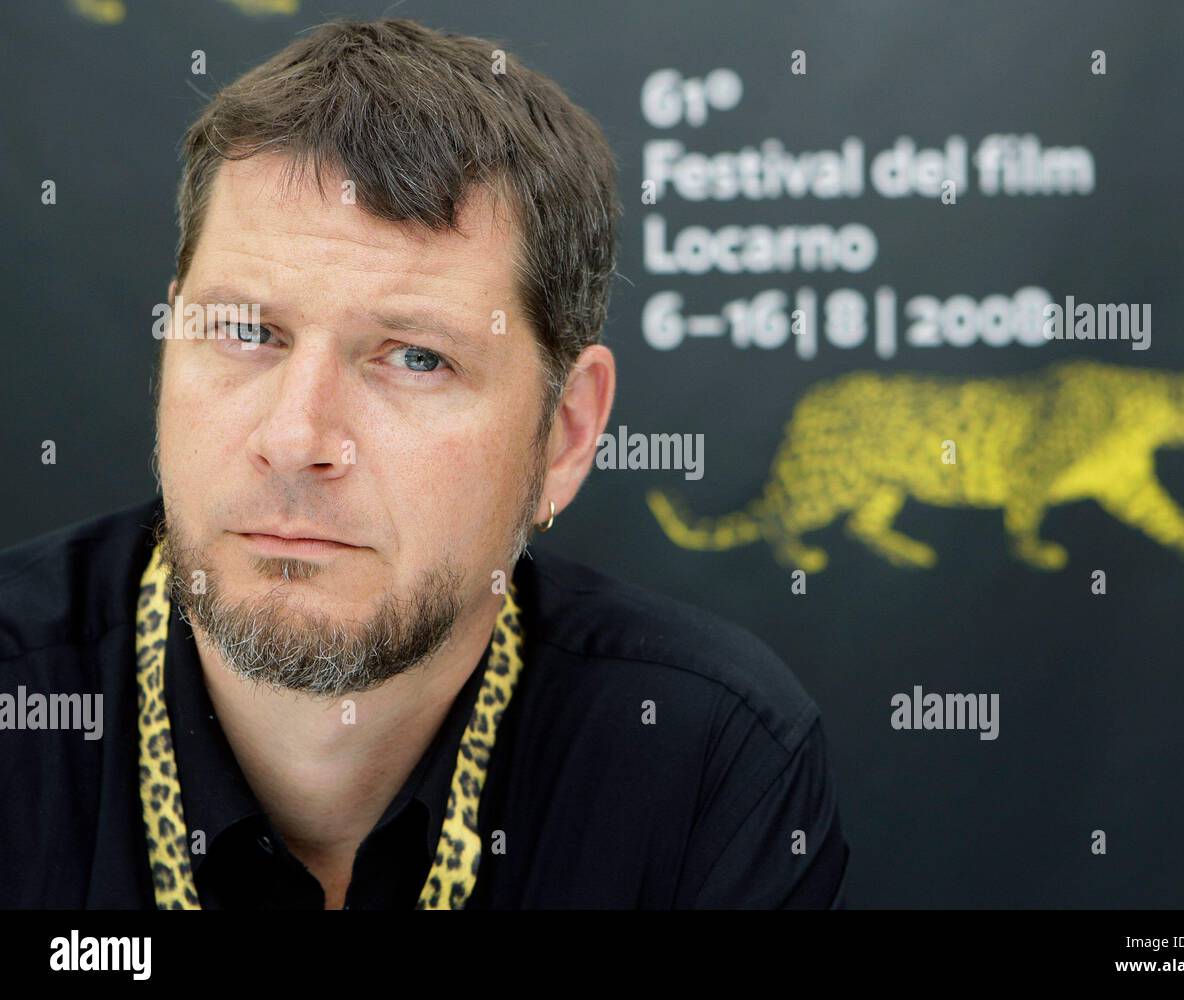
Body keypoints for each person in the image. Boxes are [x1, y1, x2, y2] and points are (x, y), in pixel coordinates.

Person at [0, 17, 849, 909]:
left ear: (564, 435)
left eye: (414, 357)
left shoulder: (704, 758)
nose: (295, 439)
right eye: (247, 332)